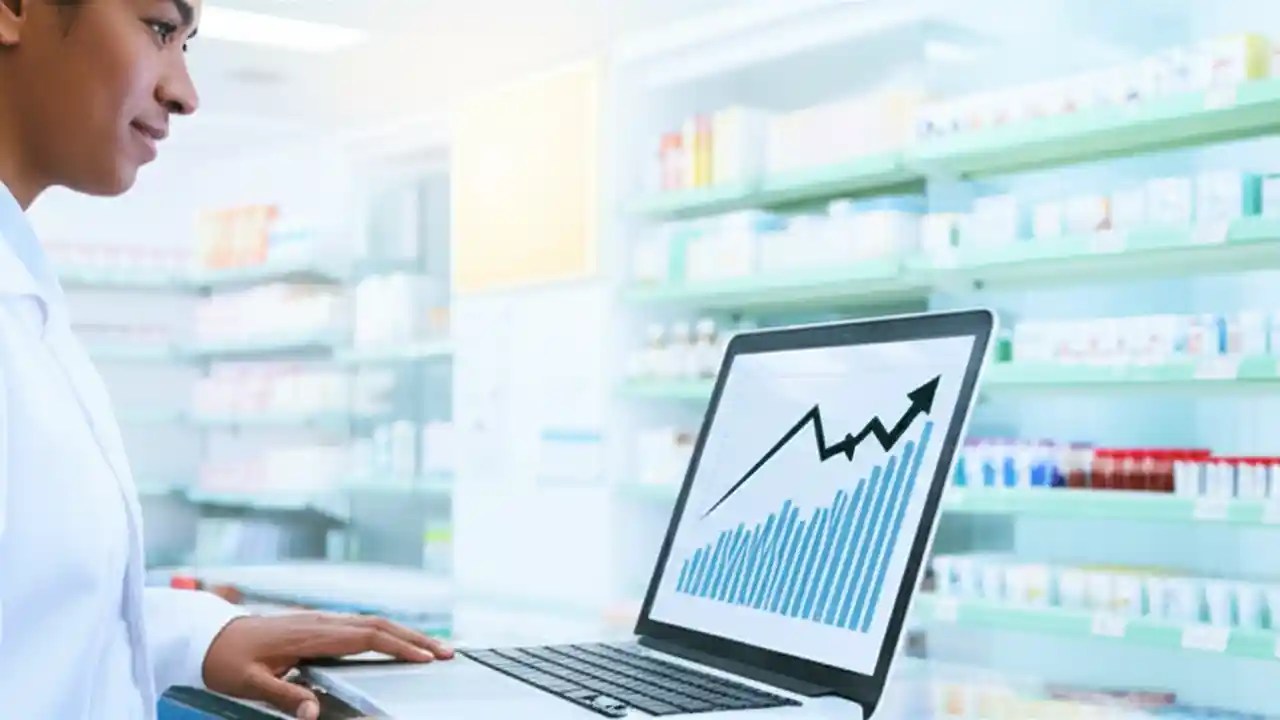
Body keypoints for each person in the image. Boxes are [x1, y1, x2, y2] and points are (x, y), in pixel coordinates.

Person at [0, 1, 453, 718]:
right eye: (158, 29)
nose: (184, 90)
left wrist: (202, 636)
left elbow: (31, 615)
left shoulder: (23, 283)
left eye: (189, 44)